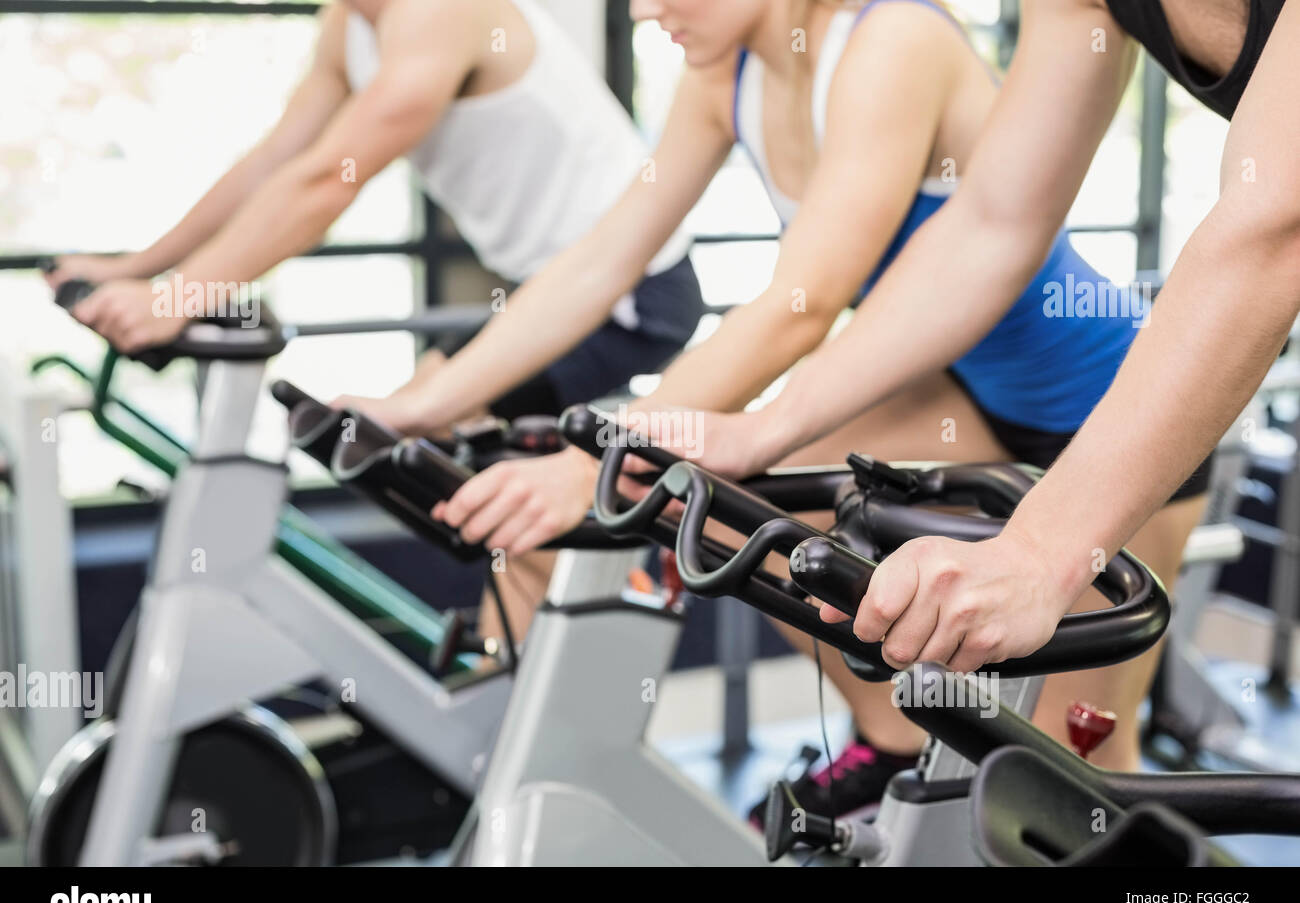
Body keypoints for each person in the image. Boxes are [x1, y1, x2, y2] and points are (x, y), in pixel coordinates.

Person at [420, 0, 1206, 822]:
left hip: (1099, 416)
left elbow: (804, 304)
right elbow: (602, 260)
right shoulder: (723, 68)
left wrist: (596, 463)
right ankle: (890, 741)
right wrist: (424, 401)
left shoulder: (891, 39)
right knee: (727, 508)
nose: (648, 10)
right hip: (949, 392)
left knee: (1076, 755)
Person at [45, 0, 703, 426]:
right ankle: (514, 642)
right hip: (548, 288)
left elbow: (329, 183)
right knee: (488, 501)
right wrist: (139, 270)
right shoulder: (350, 21)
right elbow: (279, 160)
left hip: (630, 293)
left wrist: (177, 298)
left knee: (454, 441)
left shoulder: (438, 14)